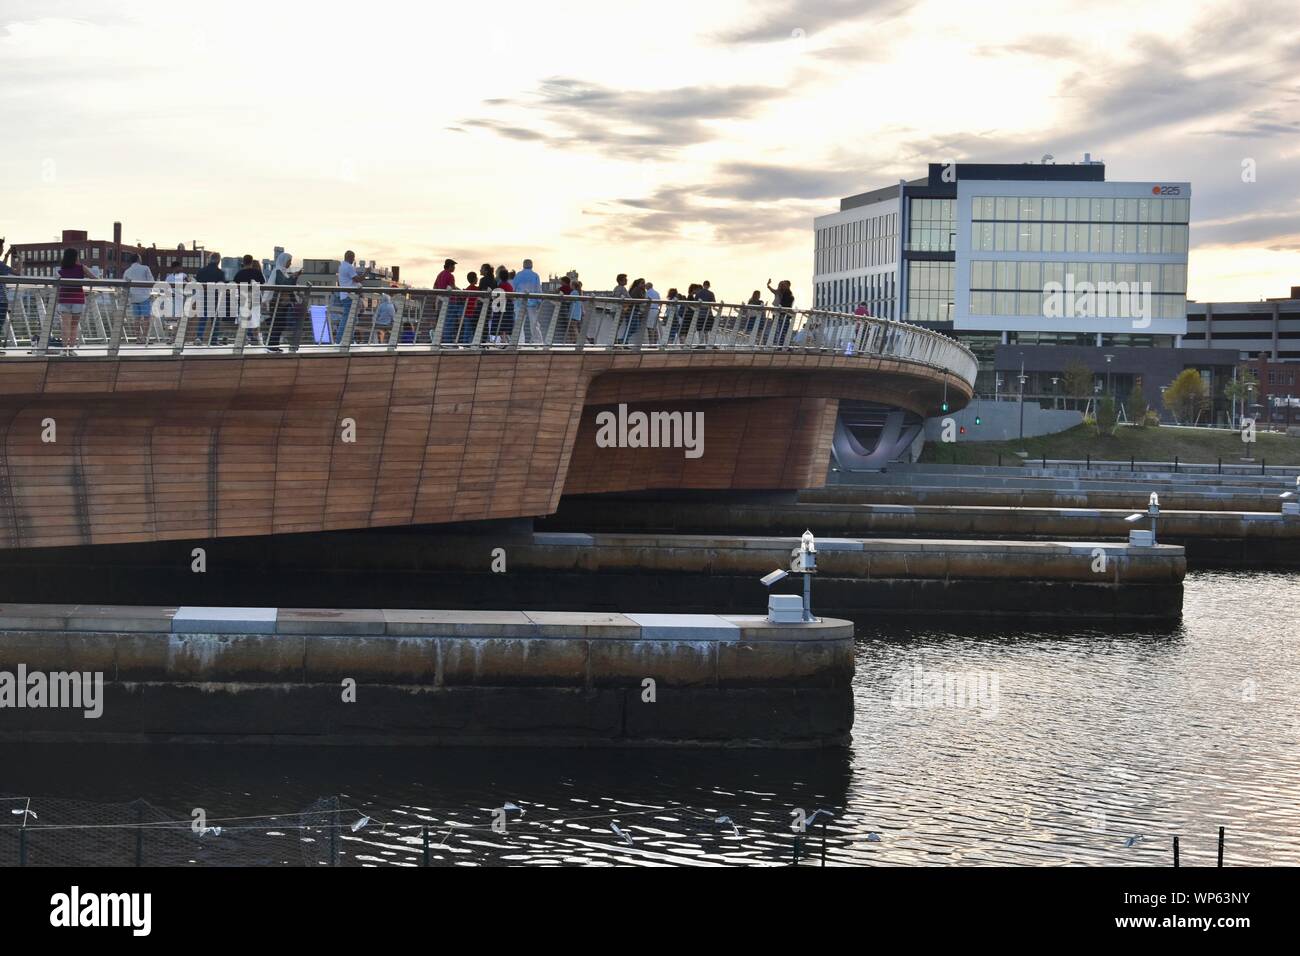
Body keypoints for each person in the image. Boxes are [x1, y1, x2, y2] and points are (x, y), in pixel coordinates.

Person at [52, 247, 90, 352]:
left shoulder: (60, 271)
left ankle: (64, 350)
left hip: (64, 299)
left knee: (65, 325)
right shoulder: (82, 268)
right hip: (77, 299)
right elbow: (95, 278)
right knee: (74, 326)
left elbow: (56, 286)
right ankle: (71, 350)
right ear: (75, 257)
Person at [264, 252, 299, 351]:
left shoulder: (282, 272)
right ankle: (272, 346)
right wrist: (293, 276)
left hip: (281, 303)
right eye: (289, 261)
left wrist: (294, 277)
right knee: (277, 324)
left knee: (280, 323)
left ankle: (274, 345)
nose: (290, 264)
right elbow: (283, 284)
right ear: (284, 261)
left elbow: (289, 284)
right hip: (277, 303)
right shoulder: (278, 271)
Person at [122, 253, 156, 344]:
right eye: (140, 257)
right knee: (146, 318)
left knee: (136, 319)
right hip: (144, 296)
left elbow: (124, 285)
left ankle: (138, 338)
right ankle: (144, 338)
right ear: (138, 259)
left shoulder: (127, 271)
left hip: (133, 297)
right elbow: (152, 281)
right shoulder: (145, 268)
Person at [233, 254, 265, 343]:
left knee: (244, 320)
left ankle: (244, 339)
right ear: (251, 261)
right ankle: (256, 339)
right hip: (255, 299)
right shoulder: (257, 273)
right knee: (255, 320)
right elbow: (262, 283)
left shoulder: (239, 273)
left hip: (243, 299)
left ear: (243, 262)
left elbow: (235, 285)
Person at [195, 252, 224, 345]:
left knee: (203, 319)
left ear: (209, 259)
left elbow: (197, 283)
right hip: (215, 299)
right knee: (215, 320)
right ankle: (214, 340)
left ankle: (199, 337)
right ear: (218, 261)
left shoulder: (201, 271)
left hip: (203, 297)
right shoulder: (220, 273)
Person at [512, 258, 542, 343]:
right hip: (532, 303)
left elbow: (513, 288)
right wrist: (539, 302)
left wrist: (514, 299)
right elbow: (538, 289)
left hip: (519, 302)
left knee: (519, 324)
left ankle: (519, 342)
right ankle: (537, 342)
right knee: (534, 323)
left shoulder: (518, 275)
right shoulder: (535, 275)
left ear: (523, 265)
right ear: (532, 265)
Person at [335, 250, 362, 344]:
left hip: (344, 295)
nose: (354, 259)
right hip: (350, 296)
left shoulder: (341, 266)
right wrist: (366, 273)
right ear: (350, 257)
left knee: (348, 319)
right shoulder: (349, 267)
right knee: (349, 319)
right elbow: (358, 279)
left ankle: (347, 339)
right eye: (353, 257)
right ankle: (341, 340)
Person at [488, 265, 514, 343]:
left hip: (501, 307)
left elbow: (497, 297)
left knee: (501, 324)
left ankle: (503, 340)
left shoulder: (500, 285)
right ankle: (505, 339)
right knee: (506, 324)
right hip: (509, 307)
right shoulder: (509, 286)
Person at [766, 278, 795, 345]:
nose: (783, 285)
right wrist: (768, 284)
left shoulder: (788, 294)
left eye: (784, 284)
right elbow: (771, 289)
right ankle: (778, 343)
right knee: (777, 328)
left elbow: (787, 304)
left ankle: (781, 344)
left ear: (788, 285)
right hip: (778, 312)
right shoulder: (779, 292)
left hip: (783, 313)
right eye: (782, 284)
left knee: (782, 329)